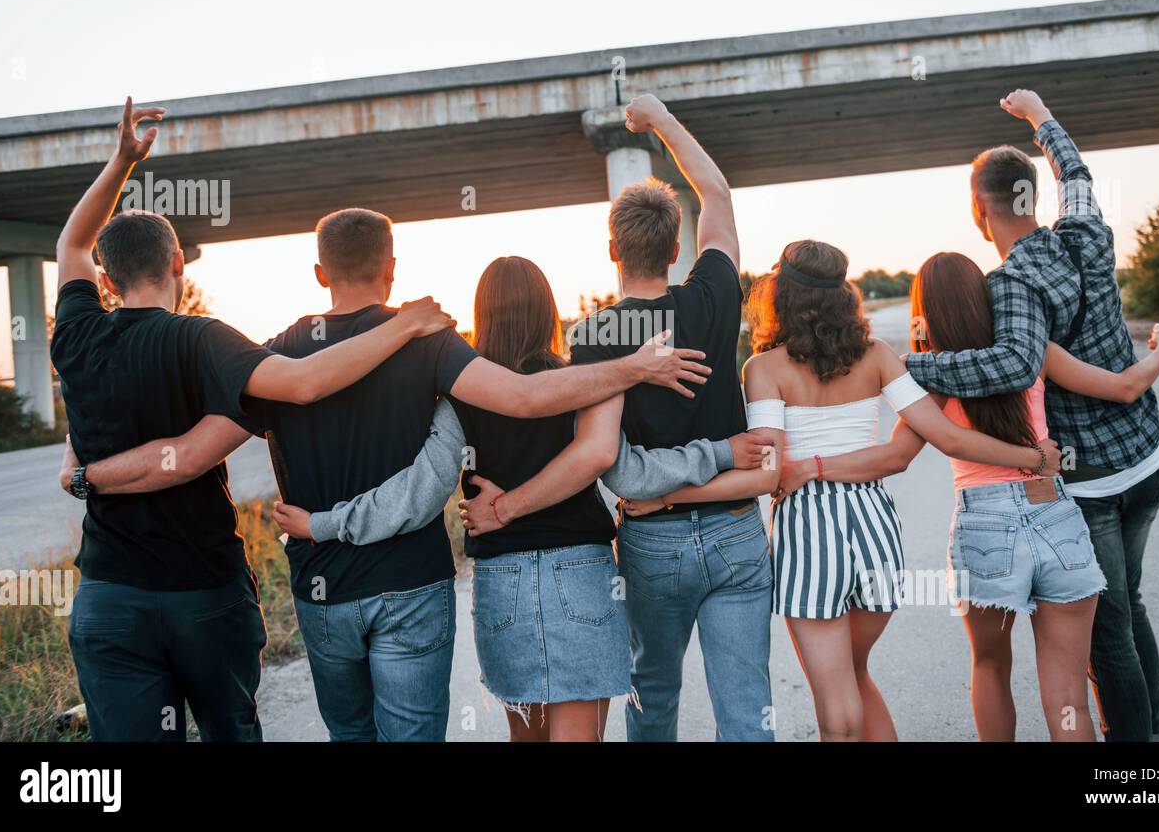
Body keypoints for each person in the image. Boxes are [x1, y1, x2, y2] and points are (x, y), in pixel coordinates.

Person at [69, 206, 711, 743]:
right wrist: (632, 368)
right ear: (392, 268)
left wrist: (90, 471)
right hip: (411, 584)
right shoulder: (428, 343)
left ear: (320, 273)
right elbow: (522, 397)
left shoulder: (280, 353)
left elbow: (192, 450)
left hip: (322, 585)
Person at [52, 100, 458, 741]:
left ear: (104, 278)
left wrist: (123, 160)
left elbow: (70, 240)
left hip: (108, 594)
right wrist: (407, 321)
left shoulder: (74, 331)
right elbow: (299, 384)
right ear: (179, 263)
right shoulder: (201, 339)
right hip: (201, 591)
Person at [272, 256, 771, 741]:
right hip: (582, 572)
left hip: (501, 580)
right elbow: (624, 468)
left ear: (482, 315)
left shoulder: (457, 401)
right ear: (548, 311)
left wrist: (326, 524)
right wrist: (718, 453)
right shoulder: (584, 381)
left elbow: (419, 491)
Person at [624, 239, 1061, 741]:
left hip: (810, 534)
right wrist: (1035, 458)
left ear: (780, 297)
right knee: (856, 676)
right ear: (844, 295)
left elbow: (769, 475)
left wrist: (668, 497)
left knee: (836, 706)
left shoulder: (764, 370)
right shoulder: (877, 356)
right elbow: (941, 439)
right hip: (875, 526)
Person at [779, 251, 1159, 741]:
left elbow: (894, 457)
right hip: (1053, 513)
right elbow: (1125, 387)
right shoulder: (1034, 351)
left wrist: (813, 468)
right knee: (1069, 693)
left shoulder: (934, 374)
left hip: (986, 527)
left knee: (990, 666)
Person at [903, 90, 1159, 741]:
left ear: (979, 209)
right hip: (1150, 457)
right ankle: (1151, 726)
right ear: (1032, 191)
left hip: (1096, 481)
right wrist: (1041, 116)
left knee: (1108, 635)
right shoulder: (1086, 230)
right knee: (1126, 602)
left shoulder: (1011, 285)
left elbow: (1014, 365)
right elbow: (1076, 175)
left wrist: (911, 369)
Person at [562, 93, 779, 741]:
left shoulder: (594, 334)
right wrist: (659, 120)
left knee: (651, 697)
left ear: (612, 249)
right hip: (738, 532)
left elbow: (607, 458)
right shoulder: (713, 292)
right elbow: (715, 192)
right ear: (678, 241)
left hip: (653, 541)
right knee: (746, 707)